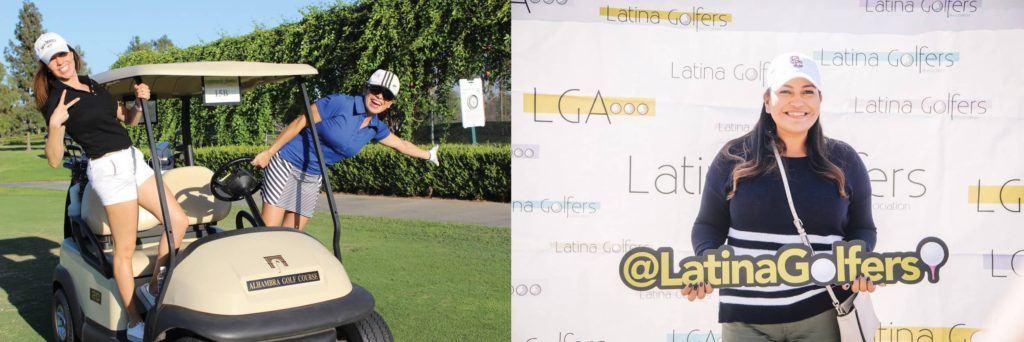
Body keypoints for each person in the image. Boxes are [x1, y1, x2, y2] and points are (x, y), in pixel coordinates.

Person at [685, 52, 879, 342]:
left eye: (807, 92)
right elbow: (707, 226)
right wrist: (707, 263)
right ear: (767, 101)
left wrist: (856, 260)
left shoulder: (844, 159)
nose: (797, 101)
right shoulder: (733, 157)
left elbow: (863, 228)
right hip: (745, 319)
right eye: (785, 91)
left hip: (822, 313)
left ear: (819, 100)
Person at [34, 32, 188, 341]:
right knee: (125, 250)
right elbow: (53, 159)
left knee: (178, 221)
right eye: (53, 59)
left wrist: (138, 100)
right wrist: (54, 125)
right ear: (47, 66)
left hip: (133, 160)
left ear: (72, 54)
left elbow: (128, 120)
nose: (61, 61)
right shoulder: (56, 101)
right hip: (108, 169)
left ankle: (155, 285)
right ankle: (133, 320)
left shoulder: (93, 85)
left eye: (63, 54)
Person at [252, 69, 439, 229]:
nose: (379, 97)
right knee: (269, 232)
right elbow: (301, 121)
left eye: (387, 95)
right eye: (376, 90)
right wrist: (269, 152)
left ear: (390, 103)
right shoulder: (340, 103)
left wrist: (429, 155)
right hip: (286, 162)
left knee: (292, 235)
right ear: (367, 89)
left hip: (314, 175)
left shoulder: (375, 128)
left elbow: (401, 145)